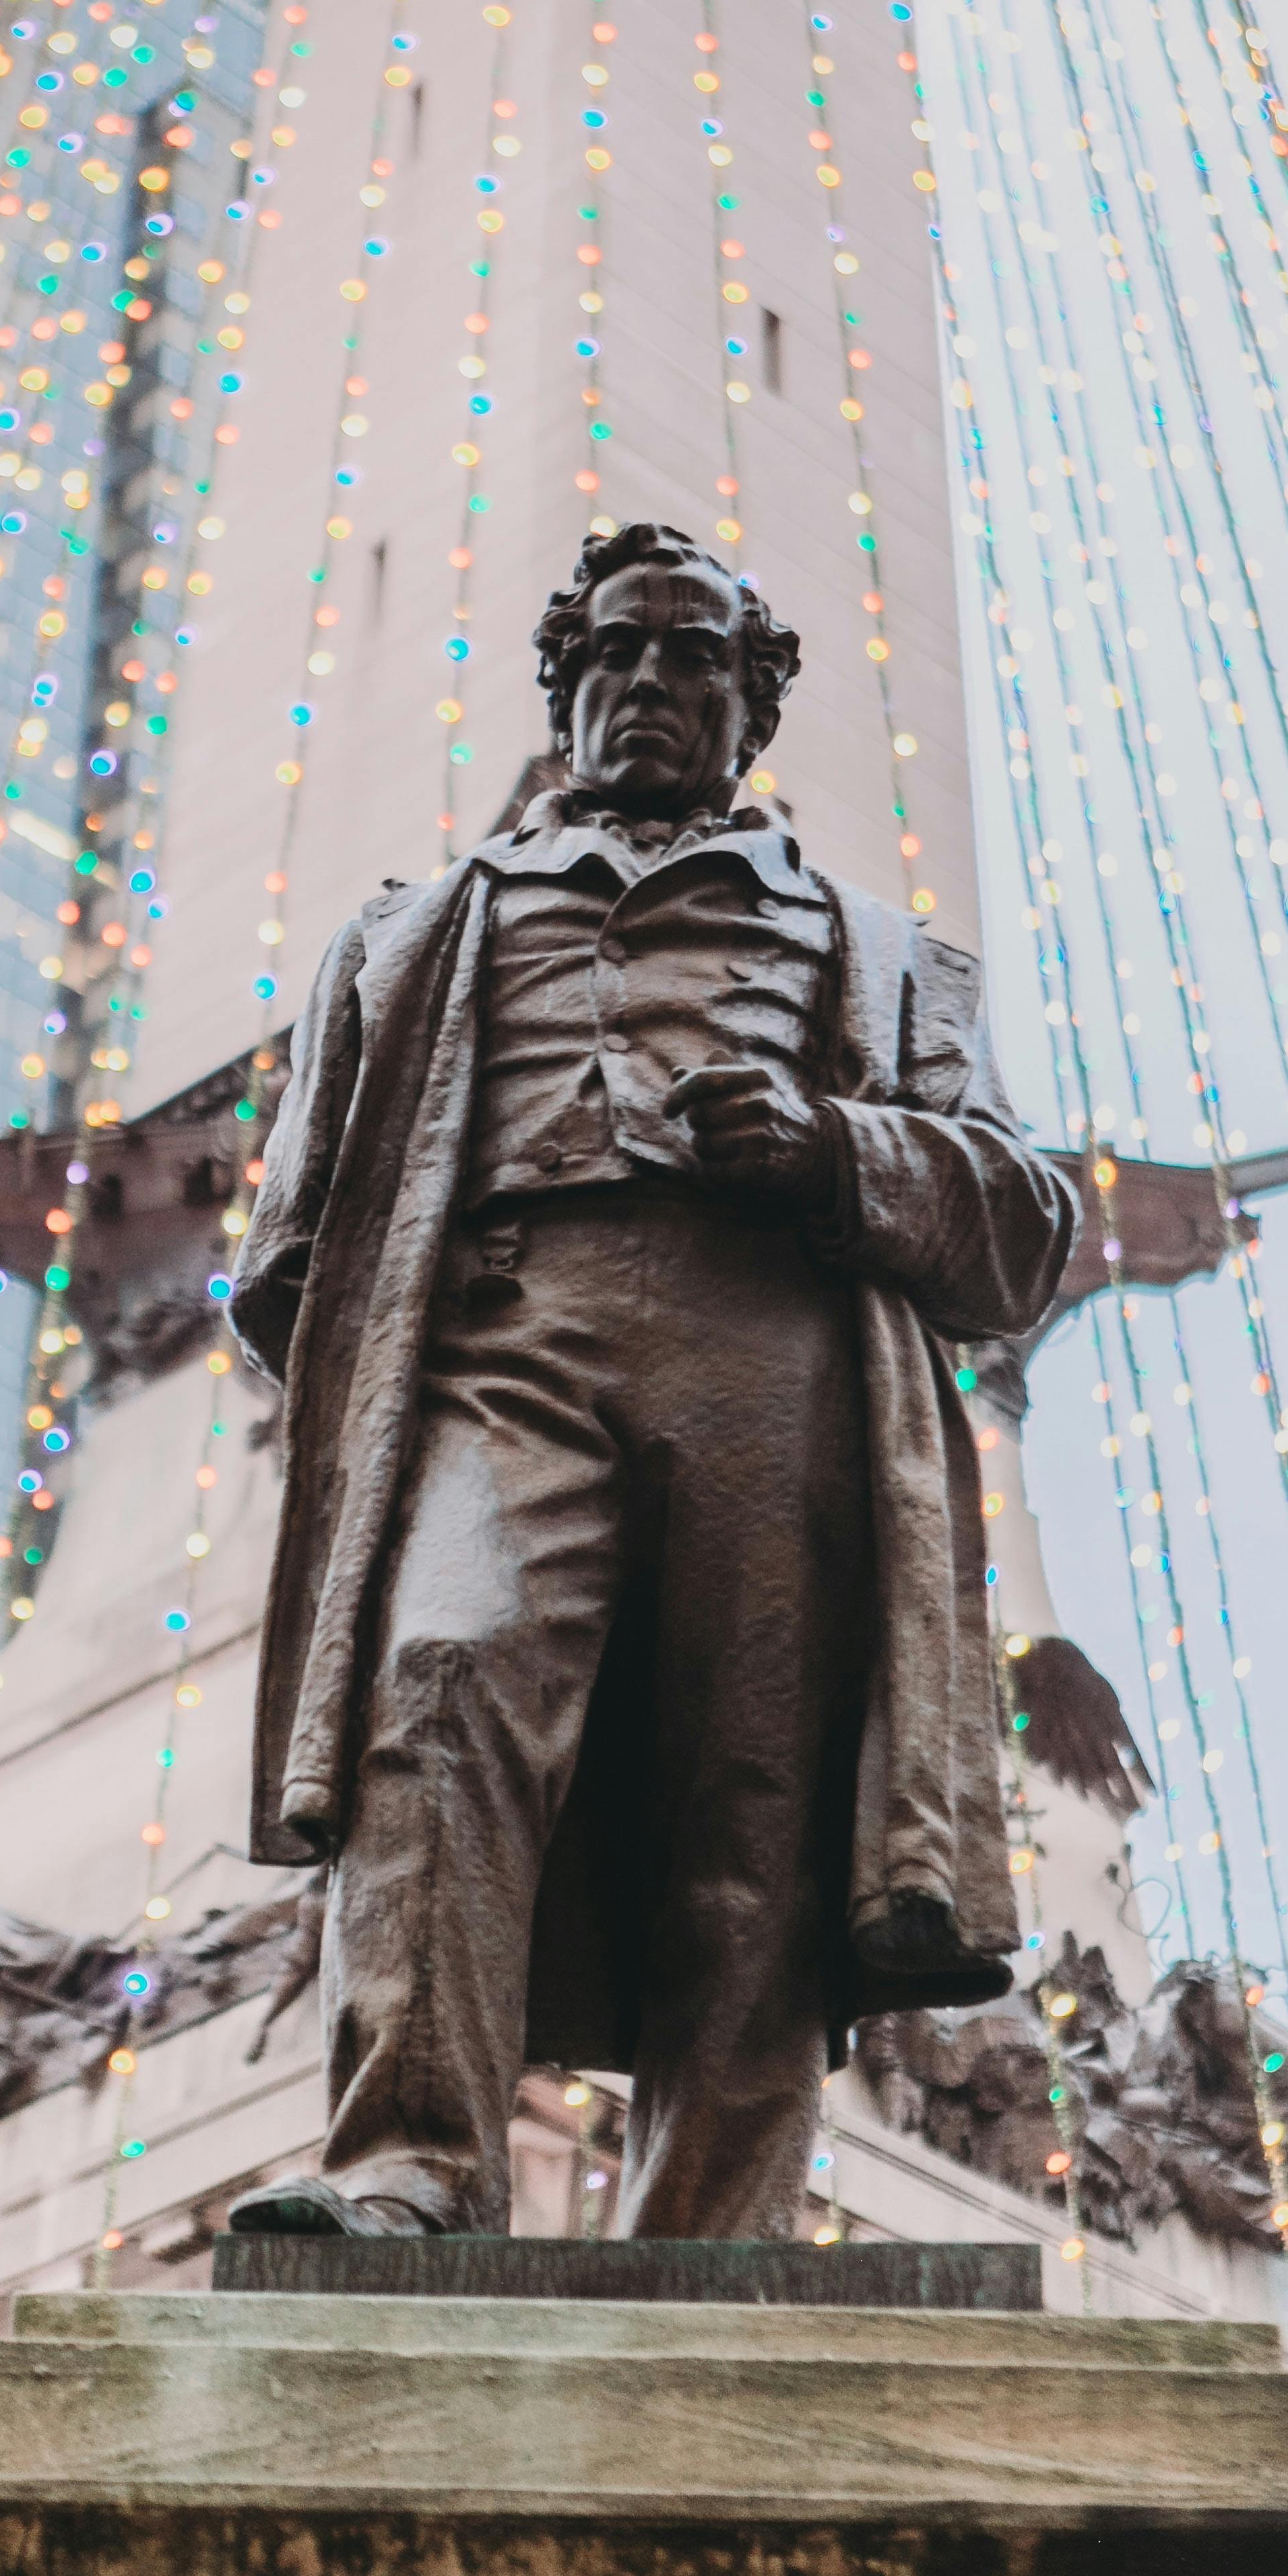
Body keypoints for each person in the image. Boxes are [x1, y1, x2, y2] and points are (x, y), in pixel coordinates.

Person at [226, 522, 1076, 2238]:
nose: (651, 687)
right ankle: (406, 2166)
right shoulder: (407, 937)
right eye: (617, 654)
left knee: (756, 1797)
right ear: (568, 686)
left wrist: (835, 1148)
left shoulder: (882, 947)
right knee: (439, 1688)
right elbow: (294, 1253)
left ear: (753, 706)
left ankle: (715, 2228)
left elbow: (1024, 1231)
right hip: (500, 1349)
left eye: (695, 659)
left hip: (774, 1362)